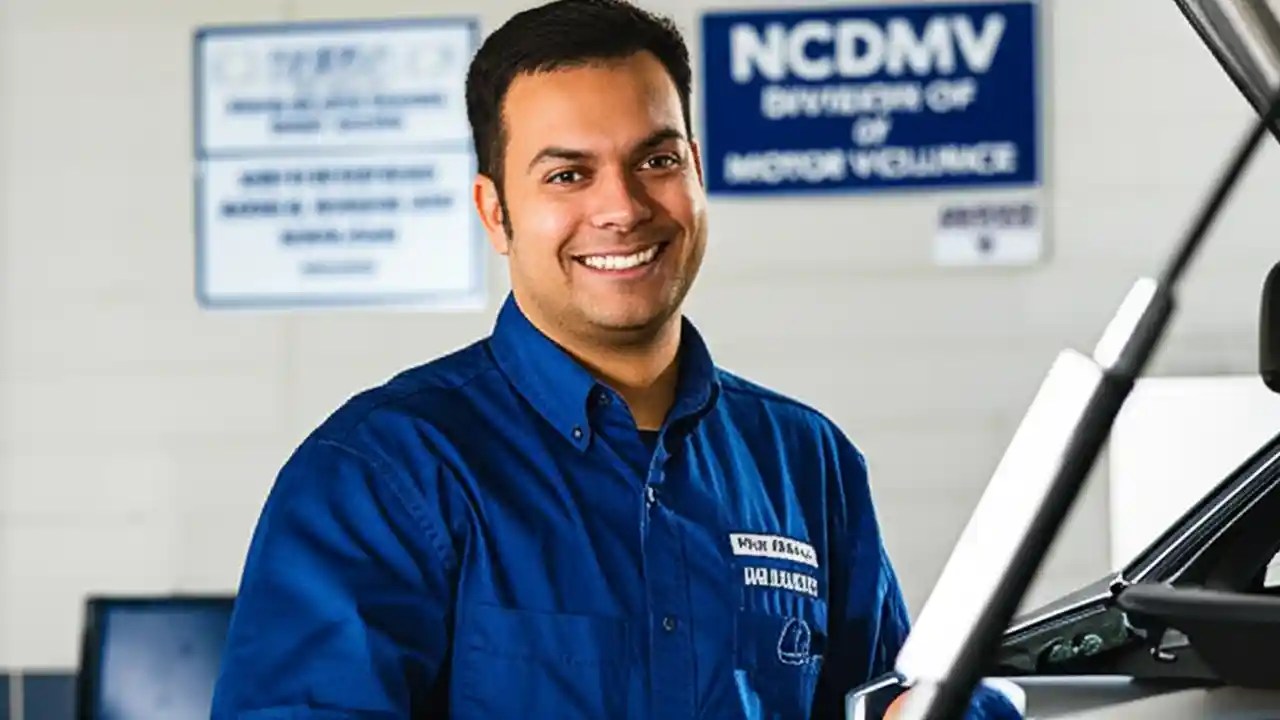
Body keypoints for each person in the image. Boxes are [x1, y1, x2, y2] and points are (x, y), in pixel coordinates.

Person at [211, 1, 1022, 718]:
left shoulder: (808, 465)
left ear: (697, 172)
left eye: (656, 161)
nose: (623, 208)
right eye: (568, 174)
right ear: (496, 213)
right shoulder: (384, 474)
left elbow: (875, 698)